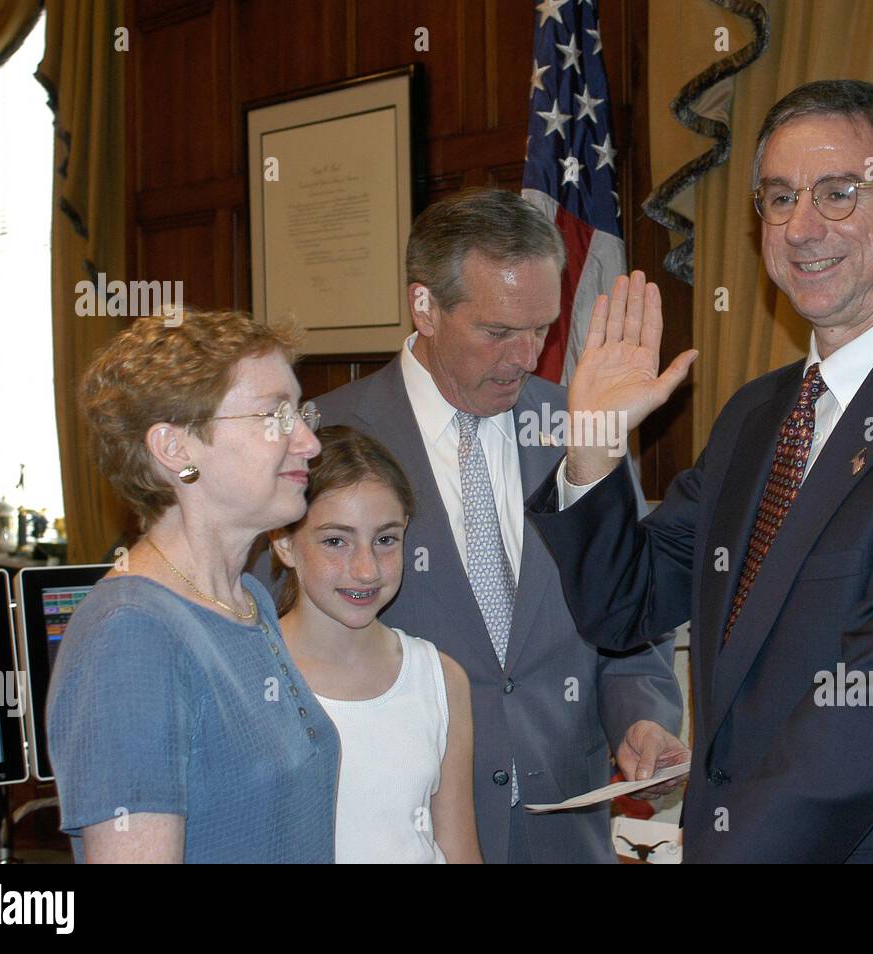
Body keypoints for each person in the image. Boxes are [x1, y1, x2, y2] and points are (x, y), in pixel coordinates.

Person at [526, 79, 873, 862]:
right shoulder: (757, 415)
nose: (801, 228)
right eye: (777, 198)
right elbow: (626, 608)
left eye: (838, 193)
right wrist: (595, 440)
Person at [255, 188, 685, 863]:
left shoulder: (586, 430)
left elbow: (626, 611)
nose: (526, 356)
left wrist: (643, 716)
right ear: (424, 306)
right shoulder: (320, 440)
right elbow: (265, 637)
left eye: (541, 328)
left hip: (564, 827)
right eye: (496, 331)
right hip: (397, 828)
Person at [48, 309, 339, 863]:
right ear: (176, 449)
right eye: (275, 415)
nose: (308, 441)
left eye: (299, 413)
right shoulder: (129, 635)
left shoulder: (247, 599)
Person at [270, 426, 482, 863]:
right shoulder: (250, 675)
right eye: (336, 541)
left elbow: (458, 847)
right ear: (284, 543)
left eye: (385, 540)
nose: (366, 570)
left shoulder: (440, 679)